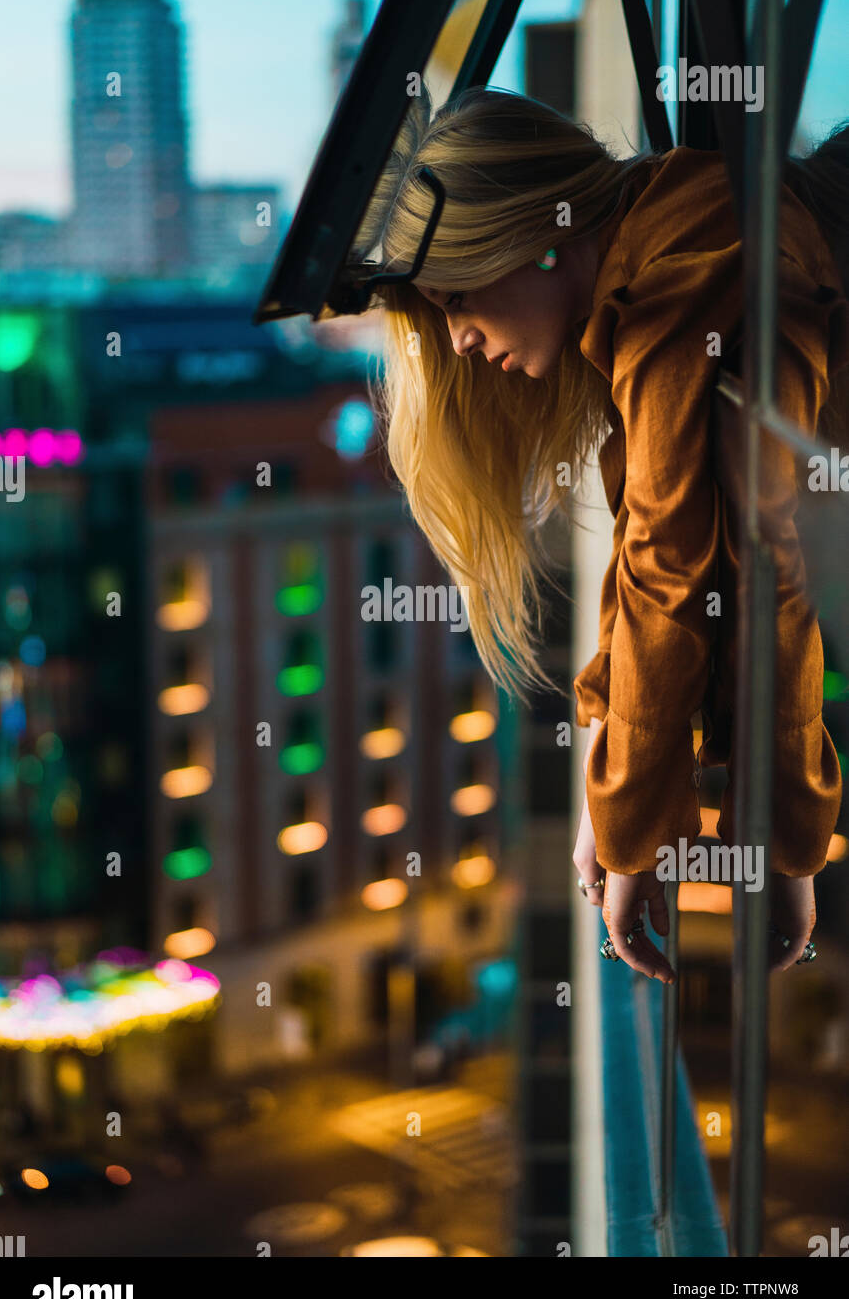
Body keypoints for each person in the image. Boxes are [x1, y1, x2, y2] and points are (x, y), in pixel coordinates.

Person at [361, 86, 849, 983]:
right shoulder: (665, 243)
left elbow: (701, 567)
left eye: (457, 296)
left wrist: (771, 846)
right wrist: (611, 766)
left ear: (536, 237)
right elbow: (661, 545)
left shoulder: (676, 293)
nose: (460, 341)